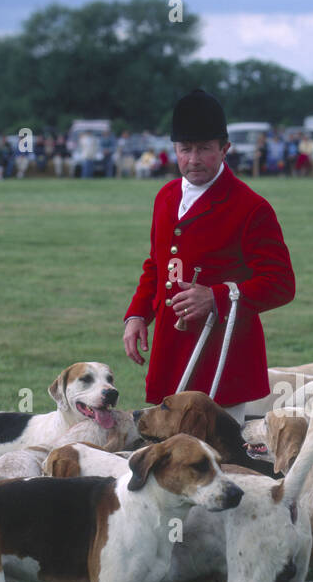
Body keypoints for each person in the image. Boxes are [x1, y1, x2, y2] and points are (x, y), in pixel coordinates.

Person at [122, 89, 295, 420]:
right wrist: (138, 315)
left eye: (204, 149)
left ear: (224, 149)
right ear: (174, 149)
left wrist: (216, 297)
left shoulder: (251, 207)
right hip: (170, 351)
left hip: (223, 361)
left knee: (216, 463)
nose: (193, 159)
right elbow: (157, 265)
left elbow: (281, 283)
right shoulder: (165, 196)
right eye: (185, 149)